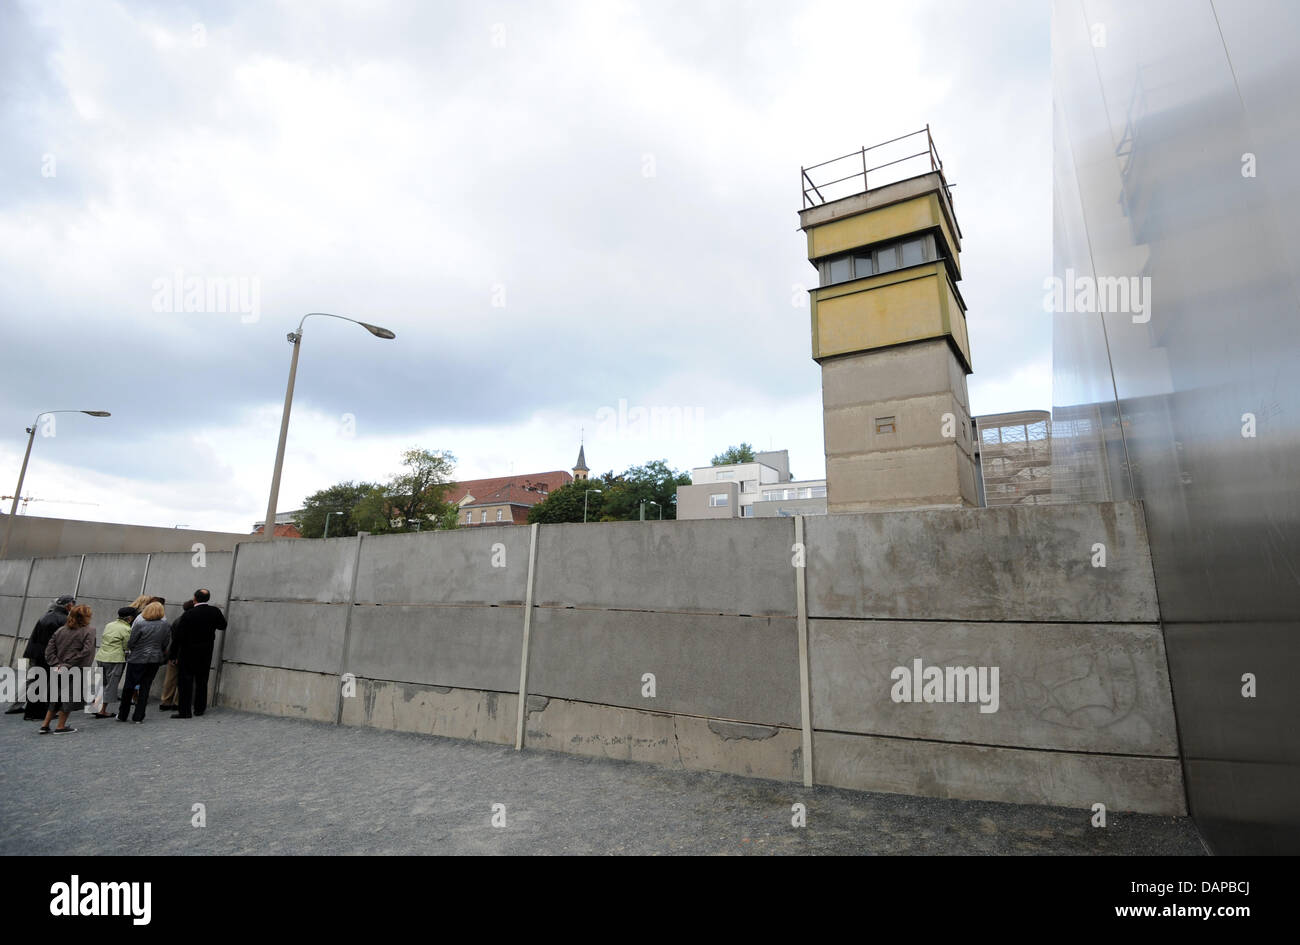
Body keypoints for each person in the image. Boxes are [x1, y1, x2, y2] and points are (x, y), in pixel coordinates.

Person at [168, 589, 226, 719]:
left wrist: (172, 654)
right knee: (202, 681)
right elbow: (222, 625)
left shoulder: (188, 614)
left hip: (188, 652)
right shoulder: (214, 611)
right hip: (206, 651)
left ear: (195, 598)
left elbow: (178, 637)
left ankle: (185, 711)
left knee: (185, 682)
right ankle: (200, 709)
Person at [16, 596, 75, 720]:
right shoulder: (64, 619)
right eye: (73, 604)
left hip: (38, 654)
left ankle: (31, 712)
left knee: (38, 682)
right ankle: (40, 712)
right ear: (68, 605)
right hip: (51, 656)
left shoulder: (46, 616)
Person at [41, 604, 97, 734]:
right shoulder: (90, 630)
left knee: (56, 697)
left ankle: (45, 725)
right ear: (86, 617)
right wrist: (67, 664)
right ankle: (60, 726)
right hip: (76, 669)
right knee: (69, 697)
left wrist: (57, 664)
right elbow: (86, 651)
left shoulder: (61, 630)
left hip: (58, 669)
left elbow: (49, 650)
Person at [116, 602, 171, 724]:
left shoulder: (140, 624)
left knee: (129, 686)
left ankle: (123, 714)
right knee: (145, 687)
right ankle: (139, 716)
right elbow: (165, 642)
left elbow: (131, 642)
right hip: (155, 659)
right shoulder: (166, 625)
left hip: (137, 658)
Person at [92, 606, 137, 718]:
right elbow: (127, 646)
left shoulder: (109, 624)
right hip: (115, 659)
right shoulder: (127, 629)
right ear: (130, 618)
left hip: (101, 656)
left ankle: (95, 707)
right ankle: (102, 710)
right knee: (110, 685)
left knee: (101, 683)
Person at [159, 598, 191, 711]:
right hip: (180, 654)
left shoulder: (178, 620)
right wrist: (175, 656)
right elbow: (178, 641)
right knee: (180, 679)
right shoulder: (186, 621)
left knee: (170, 679)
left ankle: (165, 701)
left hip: (174, 653)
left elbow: (174, 640)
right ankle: (176, 702)